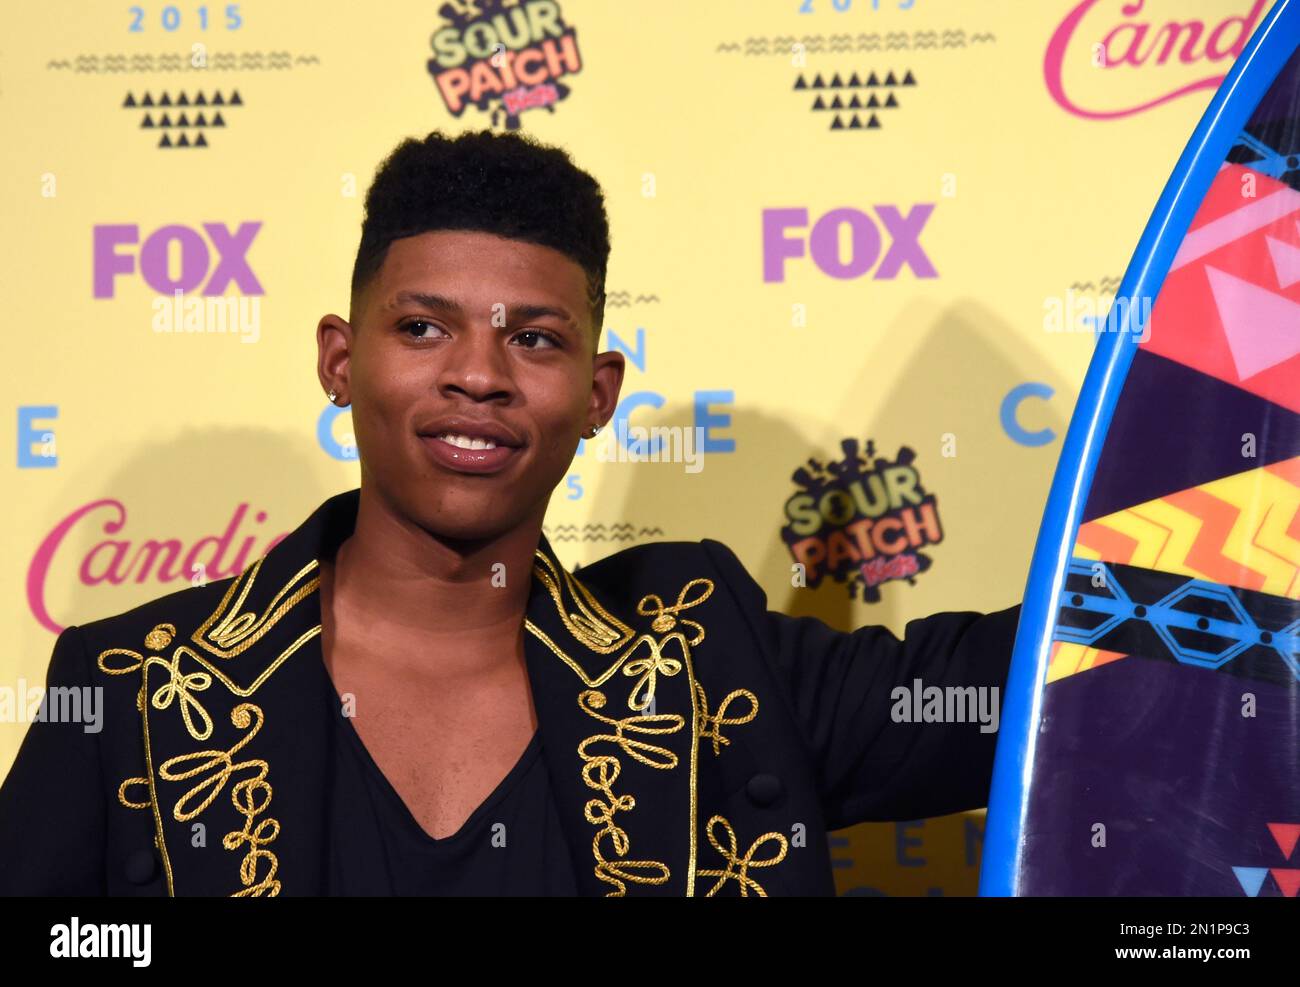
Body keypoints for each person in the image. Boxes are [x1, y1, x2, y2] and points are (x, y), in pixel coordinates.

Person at [0, 129, 1021, 896]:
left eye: (534, 340)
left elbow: (1064, 669)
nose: (478, 376)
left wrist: (1177, 449)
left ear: (597, 393)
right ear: (340, 361)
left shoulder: (713, 661)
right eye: (421, 327)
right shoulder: (133, 687)